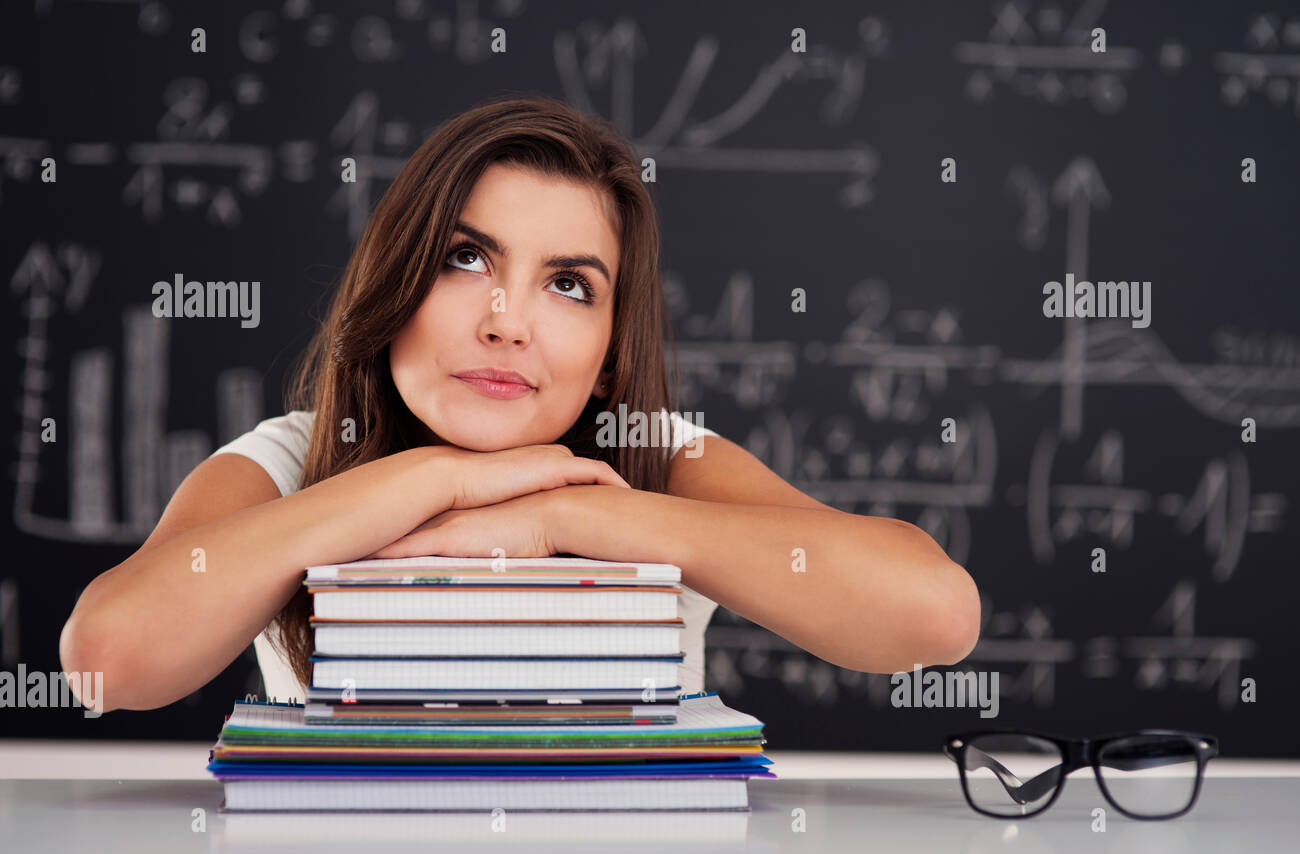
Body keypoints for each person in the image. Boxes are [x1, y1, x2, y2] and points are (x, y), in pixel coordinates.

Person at [60, 93, 980, 713]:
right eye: (468, 259)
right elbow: (103, 663)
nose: (510, 323)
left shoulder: (655, 456)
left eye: (570, 284)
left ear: (613, 356)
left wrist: (565, 513)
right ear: (396, 284)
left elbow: (934, 613)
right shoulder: (291, 457)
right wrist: (428, 481)